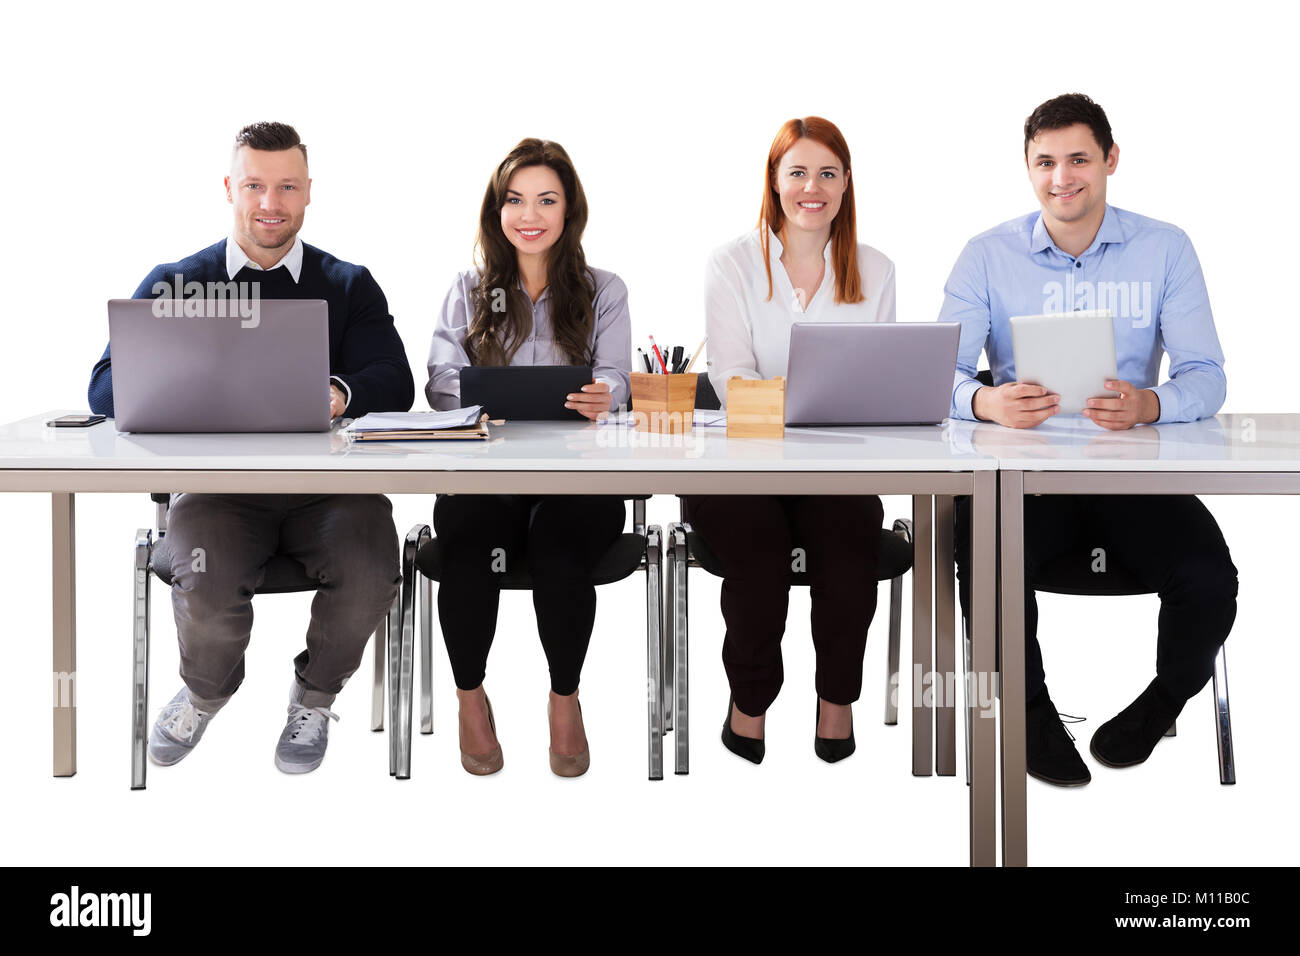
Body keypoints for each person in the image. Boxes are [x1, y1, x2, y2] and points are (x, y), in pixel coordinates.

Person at [87, 122, 414, 774]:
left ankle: (315, 696)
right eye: (256, 186)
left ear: (309, 192)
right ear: (229, 188)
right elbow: (103, 390)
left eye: (287, 187)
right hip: (219, 495)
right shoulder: (179, 281)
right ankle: (205, 692)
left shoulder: (348, 284)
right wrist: (185, 385)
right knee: (204, 579)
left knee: (374, 566)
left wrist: (339, 392)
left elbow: (396, 382)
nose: (271, 203)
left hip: (331, 494)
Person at [943, 93, 1238, 787]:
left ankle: (1160, 705)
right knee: (981, 554)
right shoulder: (986, 256)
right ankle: (1031, 715)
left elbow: (1207, 377)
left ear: (1109, 159)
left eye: (1078, 159)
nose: (1061, 177)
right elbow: (936, 379)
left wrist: (1150, 404)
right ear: (1027, 167)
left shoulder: (1165, 248)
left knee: (1209, 580)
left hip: (1132, 473)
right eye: (1044, 162)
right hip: (1024, 475)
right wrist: (985, 401)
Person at [684, 117, 896, 765]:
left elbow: (878, 381)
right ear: (774, 183)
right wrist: (810, 398)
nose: (813, 187)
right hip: (739, 469)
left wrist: (787, 396)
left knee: (851, 538)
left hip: (833, 468)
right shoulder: (732, 264)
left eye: (828, 173)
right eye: (798, 172)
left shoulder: (876, 269)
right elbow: (731, 381)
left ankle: (837, 702)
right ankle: (750, 703)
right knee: (758, 552)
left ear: (847, 182)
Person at [426, 138, 631, 777]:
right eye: (515, 200)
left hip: (580, 476)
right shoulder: (470, 289)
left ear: (570, 211)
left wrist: (608, 394)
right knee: (466, 543)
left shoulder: (602, 290)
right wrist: (476, 394)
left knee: (560, 547)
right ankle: (469, 697)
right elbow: (438, 383)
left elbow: (619, 378)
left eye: (547, 199)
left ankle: (564, 697)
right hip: (489, 471)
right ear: (497, 210)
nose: (530, 214)